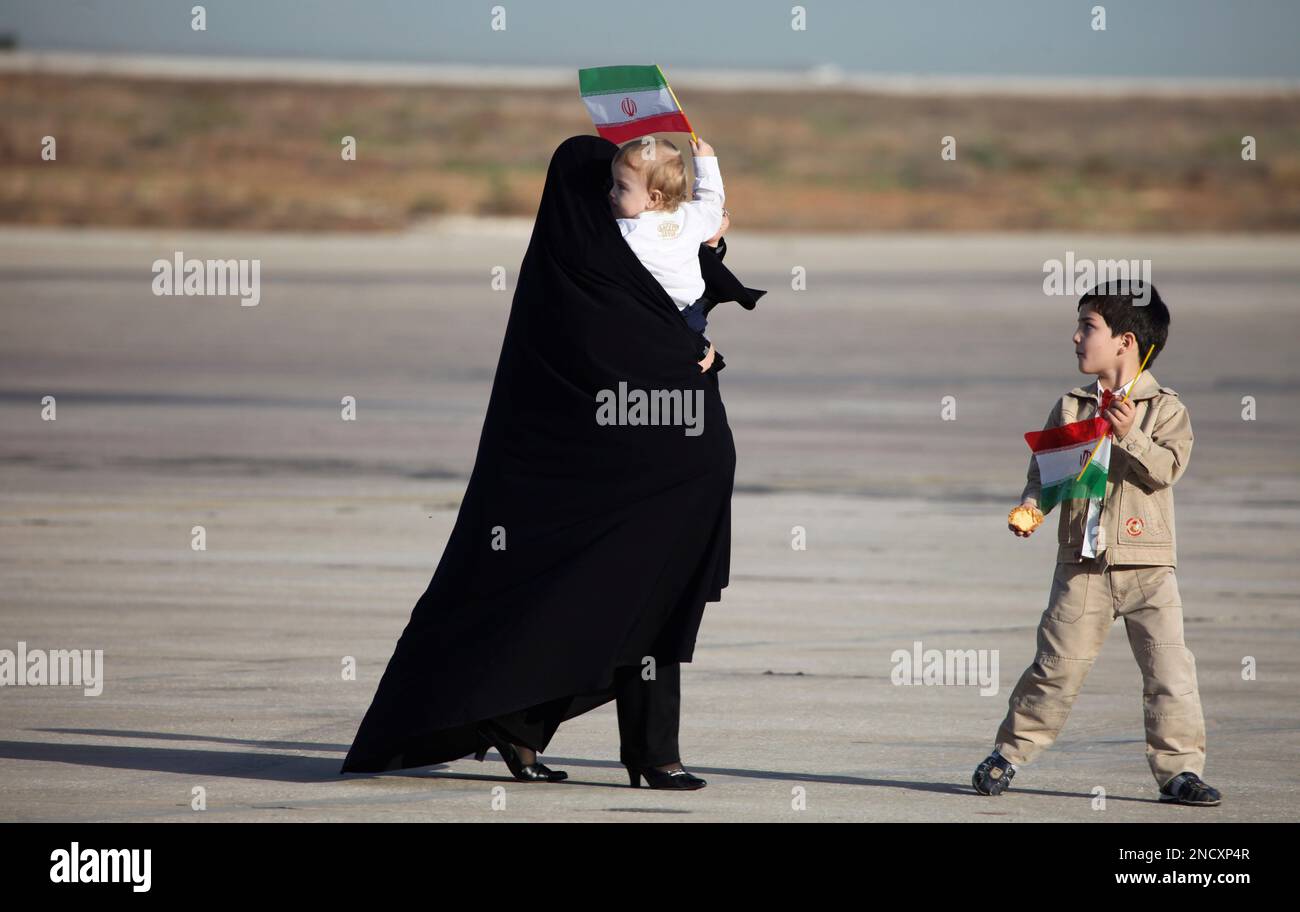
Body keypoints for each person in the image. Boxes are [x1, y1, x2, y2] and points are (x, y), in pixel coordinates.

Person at [340, 134, 763, 790]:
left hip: (683, 471)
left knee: (656, 604)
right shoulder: (581, 271)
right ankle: (585, 740)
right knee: (612, 603)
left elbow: (683, 310)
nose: (610, 198)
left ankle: (634, 749)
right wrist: (689, 357)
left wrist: (702, 317)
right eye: (604, 186)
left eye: (619, 186)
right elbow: (621, 359)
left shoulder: (635, 248)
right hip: (619, 481)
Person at [971, 281, 1221, 806]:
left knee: (1170, 671)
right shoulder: (1071, 407)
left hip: (1148, 567)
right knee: (1054, 668)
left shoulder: (1165, 408)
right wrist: (1032, 508)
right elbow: (1048, 474)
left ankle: (1179, 773)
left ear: (1126, 342)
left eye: (1089, 327)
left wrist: (1130, 434)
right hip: (1081, 565)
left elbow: (1167, 470)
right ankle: (1009, 754)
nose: (1076, 337)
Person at [609, 135, 749, 368]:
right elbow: (711, 204)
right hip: (691, 315)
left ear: (653, 197)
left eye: (621, 187)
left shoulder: (623, 231)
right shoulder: (690, 217)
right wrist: (705, 161)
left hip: (648, 318)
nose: (612, 193)